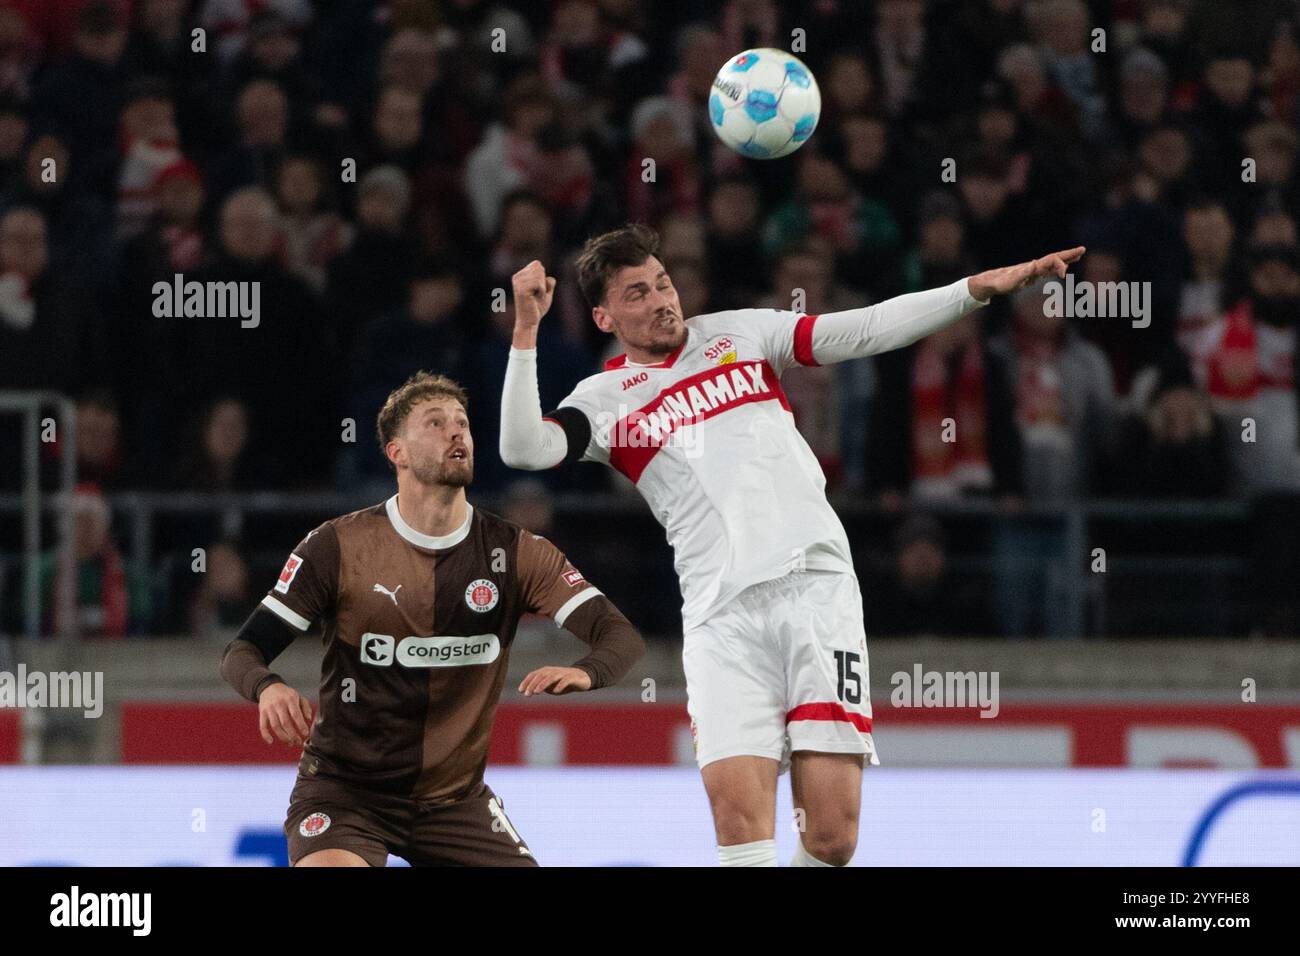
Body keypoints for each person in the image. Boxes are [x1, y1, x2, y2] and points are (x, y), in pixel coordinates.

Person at [499, 223, 1083, 866]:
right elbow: (523, 448)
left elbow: (863, 329)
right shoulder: (604, 399)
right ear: (605, 314)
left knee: (831, 839)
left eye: (663, 283)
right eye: (637, 293)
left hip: (816, 591)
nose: (662, 299)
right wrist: (526, 332)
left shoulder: (741, 333)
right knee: (741, 830)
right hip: (720, 616)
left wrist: (974, 290)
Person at [220, 372, 644, 866]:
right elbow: (242, 651)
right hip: (344, 794)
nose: (456, 432)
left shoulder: (518, 553)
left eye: (462, 422)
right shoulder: (338, 546)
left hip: (455, 804)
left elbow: (620, 636)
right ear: (396, 452)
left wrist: (587, 671)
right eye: (436, 423)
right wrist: (267, 686)